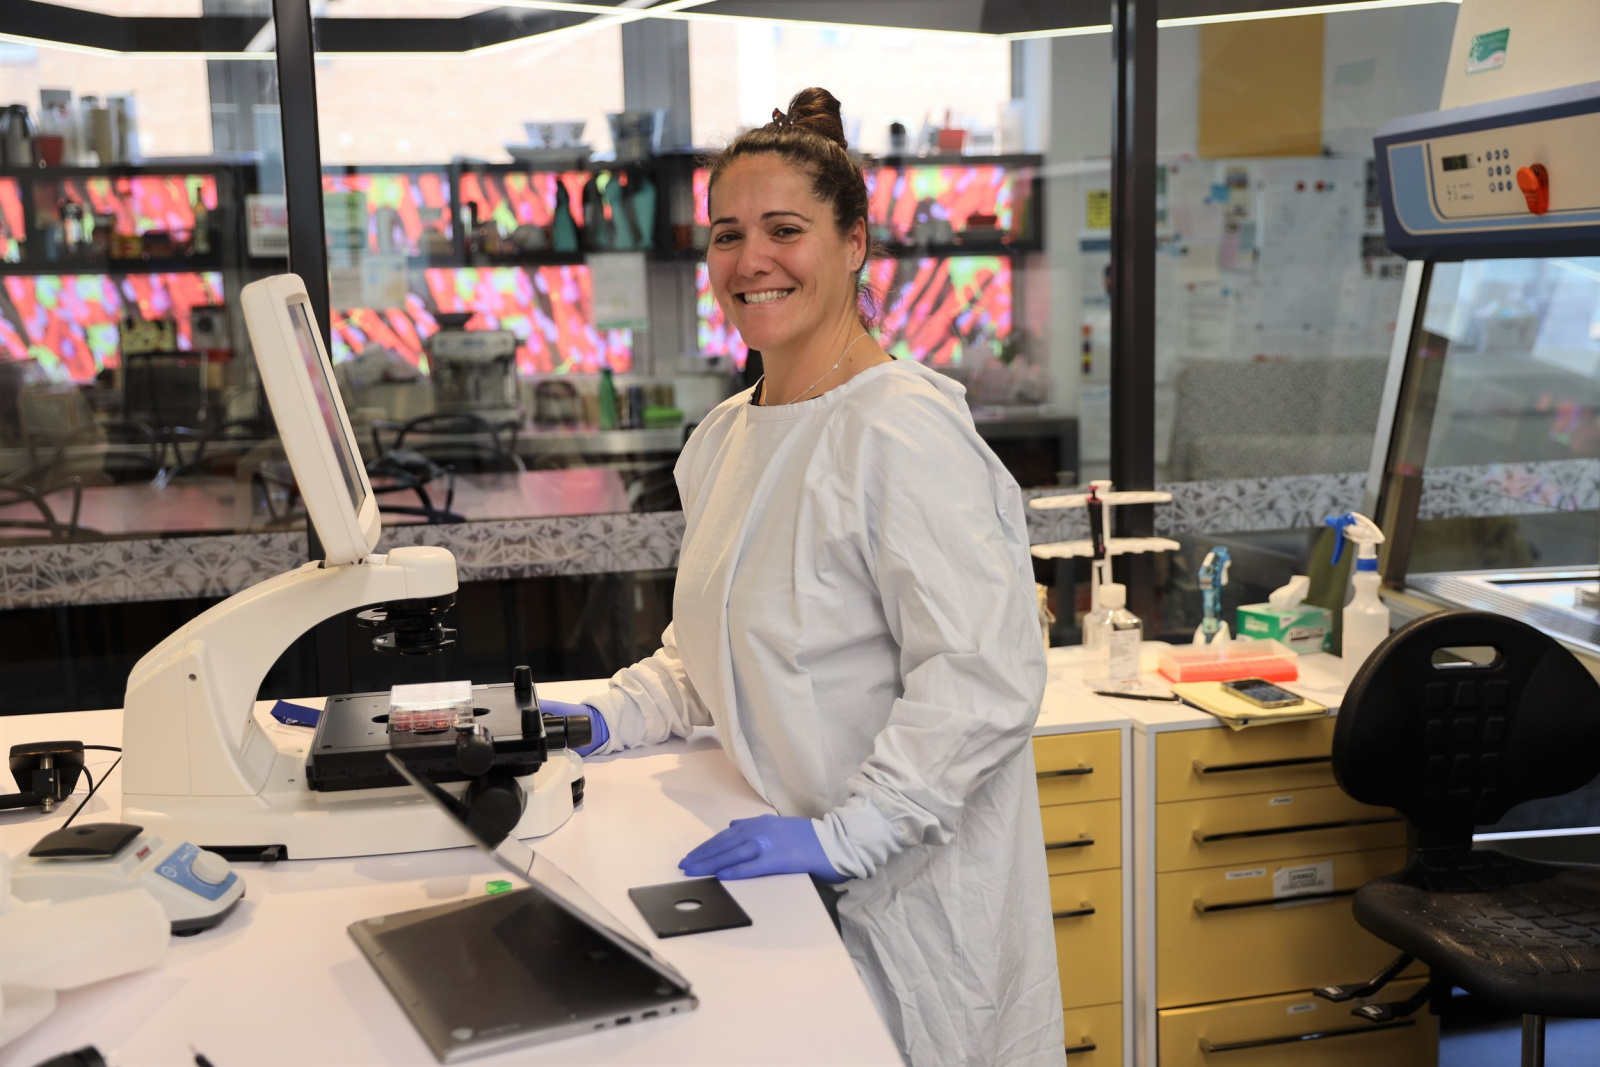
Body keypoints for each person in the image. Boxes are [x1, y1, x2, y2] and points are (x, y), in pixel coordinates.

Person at [551, 87, 1064, 1067]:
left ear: (855, 244)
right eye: (727, 234)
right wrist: (600, 714)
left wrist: (847, 835)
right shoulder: (724, 436)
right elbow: (715, 651)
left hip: (913, 901)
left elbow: (983, 679)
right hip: (797, 890)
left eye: (785, 229)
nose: (751, 261)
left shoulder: (899, 428)